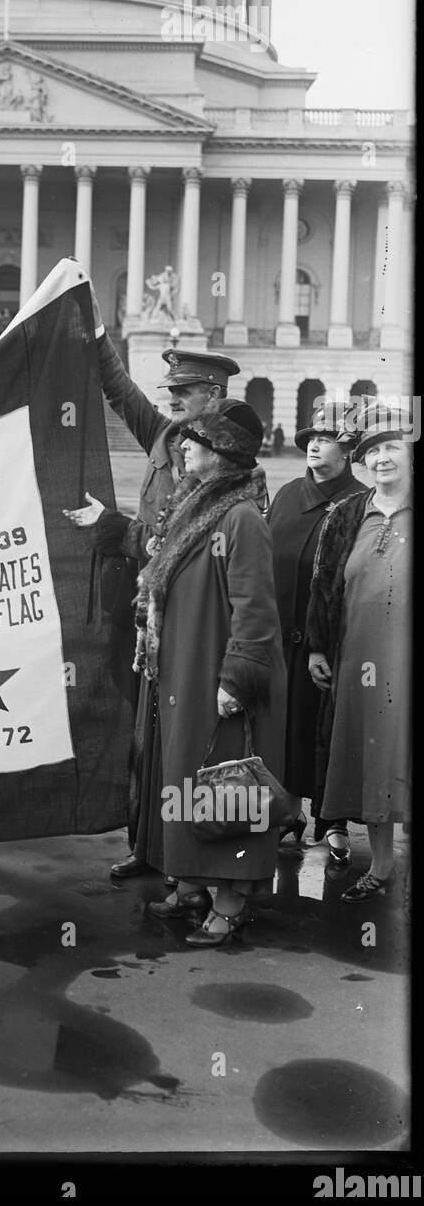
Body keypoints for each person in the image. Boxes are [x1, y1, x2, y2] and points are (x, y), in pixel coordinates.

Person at [65, 333, 242, 879]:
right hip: (147, 619)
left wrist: (118, 531)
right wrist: (94, 331)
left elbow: (192, 547)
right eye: (171, 388)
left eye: (183, 389)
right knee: (146, 738)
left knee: (184, 746)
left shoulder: (231, 461)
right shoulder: (168, 436)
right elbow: (120, 392)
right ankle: (147, 847)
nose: (171, 398)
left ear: (214, 394)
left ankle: (185, 861)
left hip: (190, 628)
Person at [137, 399, 287, 945]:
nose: (184, 447)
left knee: (229, 789)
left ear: (222, 454)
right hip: (187, 672)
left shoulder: (242, 518)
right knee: (191, 782)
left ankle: (231, 902)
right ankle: (195, 884)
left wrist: (235, 681)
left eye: (195, 441)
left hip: (221, 681)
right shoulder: (196, 506)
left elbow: (256, 610)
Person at [306, 403, 412, 905]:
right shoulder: (349, 513)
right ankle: (384, 867)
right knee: (372, 762)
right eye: (373, 450)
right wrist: (317, 649)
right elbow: (324, 584)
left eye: (392, 446)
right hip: (358, 663)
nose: (383, 457)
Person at [267, 399, 366, 873]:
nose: (314, 446)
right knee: (283, 729)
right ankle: (288, 815)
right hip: (280, 642)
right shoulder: (286, 494)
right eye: (310, 440)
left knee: (326, 729)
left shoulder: (362, 502)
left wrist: (322, 641)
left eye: (325, 440)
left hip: (331, 643)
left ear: (347, 451)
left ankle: (334, 821)